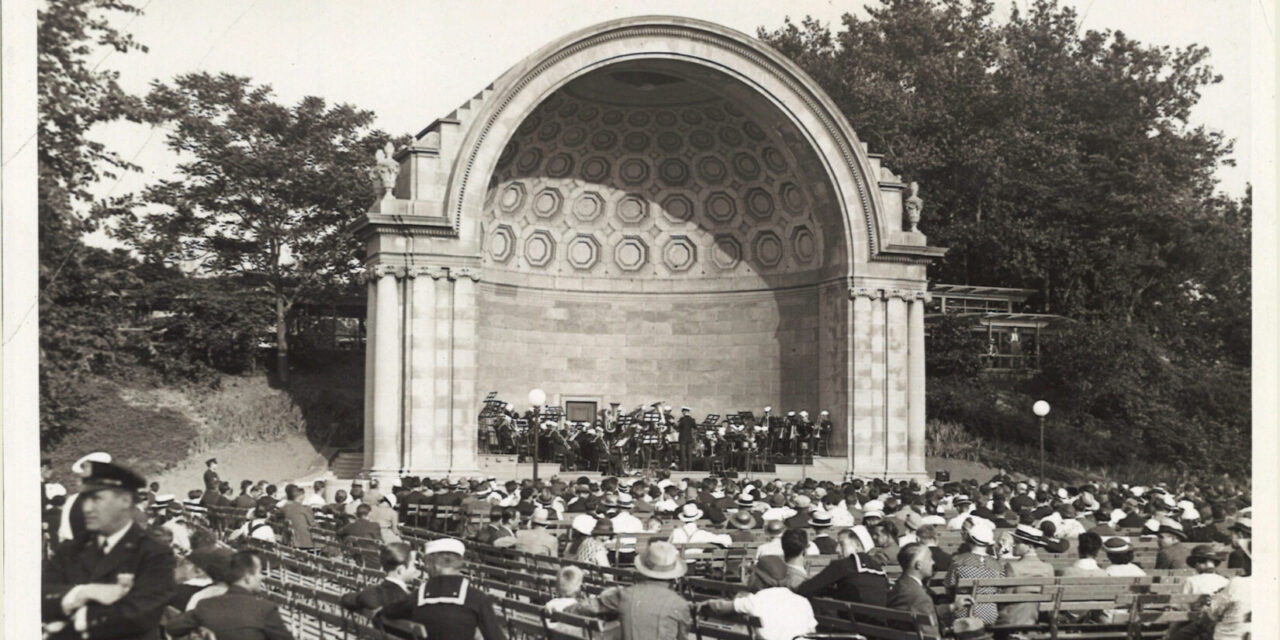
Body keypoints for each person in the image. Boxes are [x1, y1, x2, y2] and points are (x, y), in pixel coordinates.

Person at [42, 460, 176, 640]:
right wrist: (81, 594)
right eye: (85, 498)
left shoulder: (154, 553)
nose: (87, 508)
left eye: (97, 498)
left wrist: (71, 612)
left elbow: (139, 617)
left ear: (125, 500)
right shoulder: (69, 550)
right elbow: (39, 600)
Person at [562, 541, 693, 640]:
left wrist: (564, 608)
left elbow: (586, 607)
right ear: (674, 576)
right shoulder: (680, 604)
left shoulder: (624, 594)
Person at [382, 538, 507, 640]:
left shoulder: (418, 596)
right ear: (459, 564)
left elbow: (386, 613)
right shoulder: (477, 598)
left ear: (433, 565)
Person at [701, 557, 818, 640]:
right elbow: (811, 632)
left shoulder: (754, 600)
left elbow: (722, 607)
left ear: (759, 578)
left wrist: (707, 603)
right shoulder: (802, 601)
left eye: (752, 574)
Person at [794, 525, 890, 606]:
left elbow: (804, 590)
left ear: (857, 545)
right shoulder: (877, 567)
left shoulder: (844, 565)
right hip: (876, 623)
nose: (837, 549)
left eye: (841, 544)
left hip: (851, 624)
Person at [889, 543, 969, 625]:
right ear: (919, 565)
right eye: (929, 559)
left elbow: (923, 610)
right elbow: (930, 633)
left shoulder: (901, 585)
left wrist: (951, 607)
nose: (933, 562)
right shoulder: (919, 596)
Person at [945, 519, 1004, 625]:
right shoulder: (997, 565)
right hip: (990, 615)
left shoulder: (958, 561)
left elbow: (949, 587)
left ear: (970, 540)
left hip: (964, 614)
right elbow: (999, 590)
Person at [996, 525, 1055, 627]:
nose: (1013, 545)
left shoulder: (1012, 567)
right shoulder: (1048, 568)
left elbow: (1005, 598)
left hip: (1014, 619)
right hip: (1039, 618)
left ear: (1030, 546)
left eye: (1017, 542)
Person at [340, 543, 419, 612]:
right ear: (400, 570)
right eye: (413, 565)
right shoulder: (408, 600)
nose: (415, 569)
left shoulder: (371, 593)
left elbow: (345, 599)